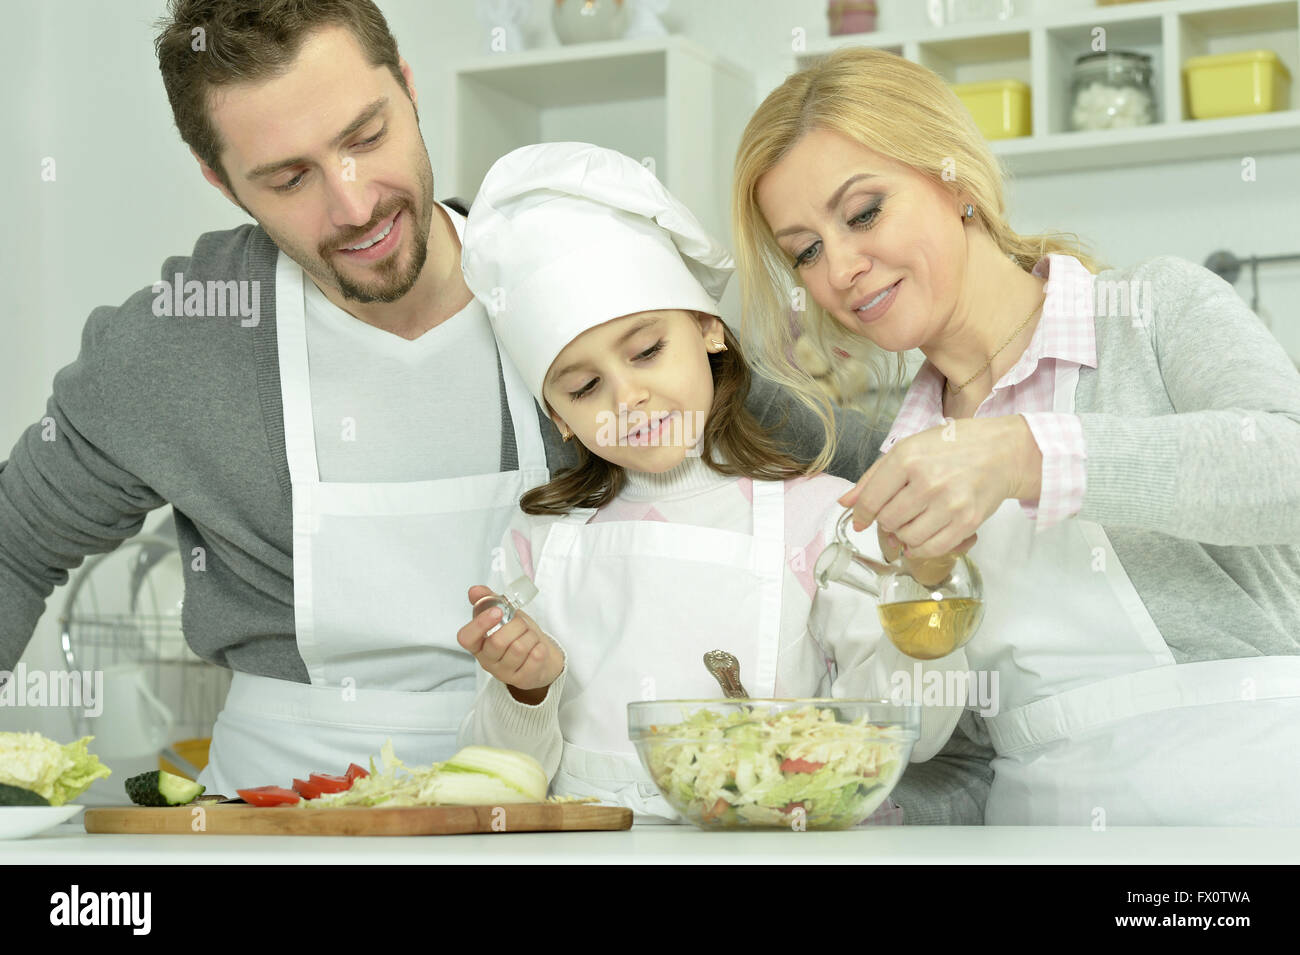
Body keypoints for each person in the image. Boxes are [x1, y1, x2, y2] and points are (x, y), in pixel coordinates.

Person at [0, 2, 897, 801]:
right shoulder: (178, 346)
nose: (354, 202)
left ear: (409, 87)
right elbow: (12, 544)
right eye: (289, 177)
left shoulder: (561, 299)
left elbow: (850, 461)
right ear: (218, 178)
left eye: (366, 134)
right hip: (280, 816)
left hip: (546, 801)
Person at [730, 46, 1300, 825]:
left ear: (954, 178)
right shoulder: (903, 458)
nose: (843, 268)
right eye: (806, 250)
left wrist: (1028, 452)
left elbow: (1284, 466)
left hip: (1254, 811)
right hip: (1041, 833)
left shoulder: (1154, 313)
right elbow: (967, 758)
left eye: (863, 212)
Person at [453, 141, 972, 824]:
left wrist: (924, 591)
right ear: (561, 417)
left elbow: (915, 729)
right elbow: (497, 779)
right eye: (584, 386)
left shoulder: (819, 519)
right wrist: (525, 689)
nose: (628, 397)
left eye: (646, 350)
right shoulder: (538, 544)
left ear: (707, 329)